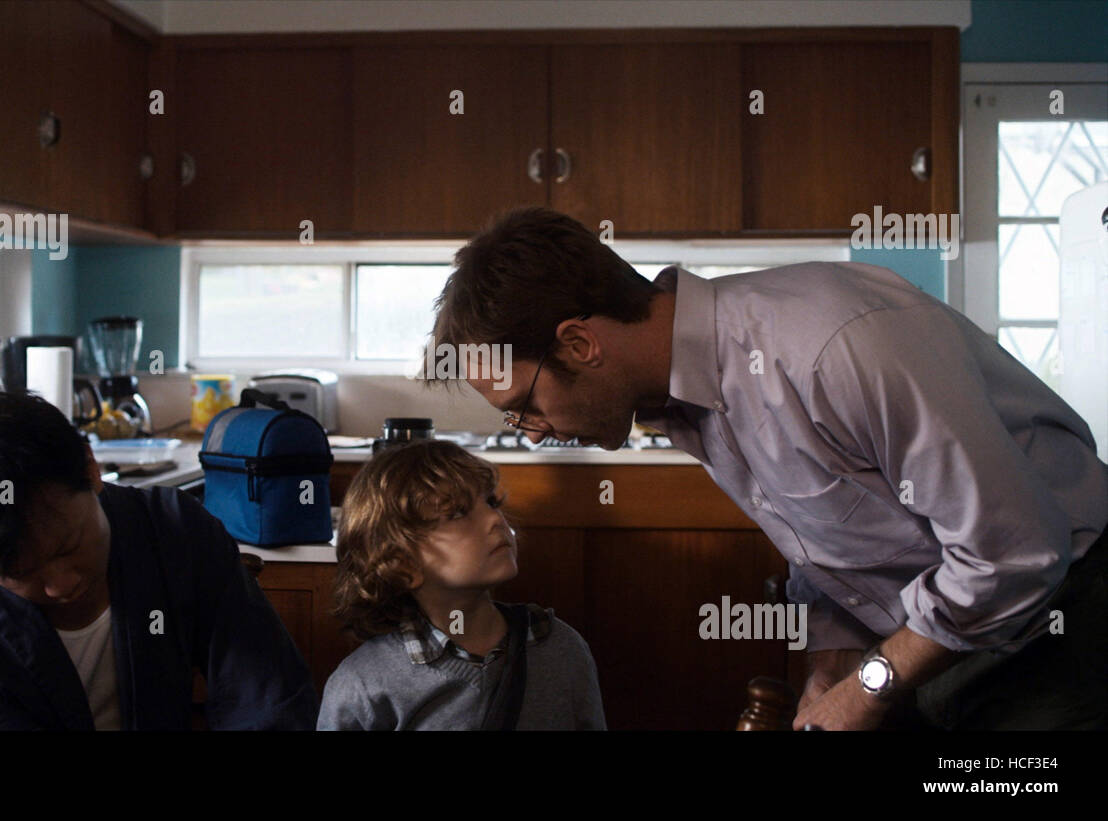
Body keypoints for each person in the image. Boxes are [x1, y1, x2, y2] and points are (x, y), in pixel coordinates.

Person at [427, 206, 1108, 730]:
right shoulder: (683, 399)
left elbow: (1013, 550)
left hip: (1062, 622)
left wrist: (871, 683)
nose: (531, 431)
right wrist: (835, 657)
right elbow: (833, 528)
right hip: (948, 641)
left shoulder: (829, 348)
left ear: (579, 342)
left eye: (524, 405)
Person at [0, 390, 317, 730]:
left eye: (67, 547)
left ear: (91, 469)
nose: (59, 585)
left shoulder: (174, 533)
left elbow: (266, 700)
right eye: (20, 574)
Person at [317, 440, 606, 730]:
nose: (495, 519)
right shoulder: (364, 685)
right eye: (456, 513)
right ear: (401, 564)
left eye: (491, 502)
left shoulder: (560, 647)